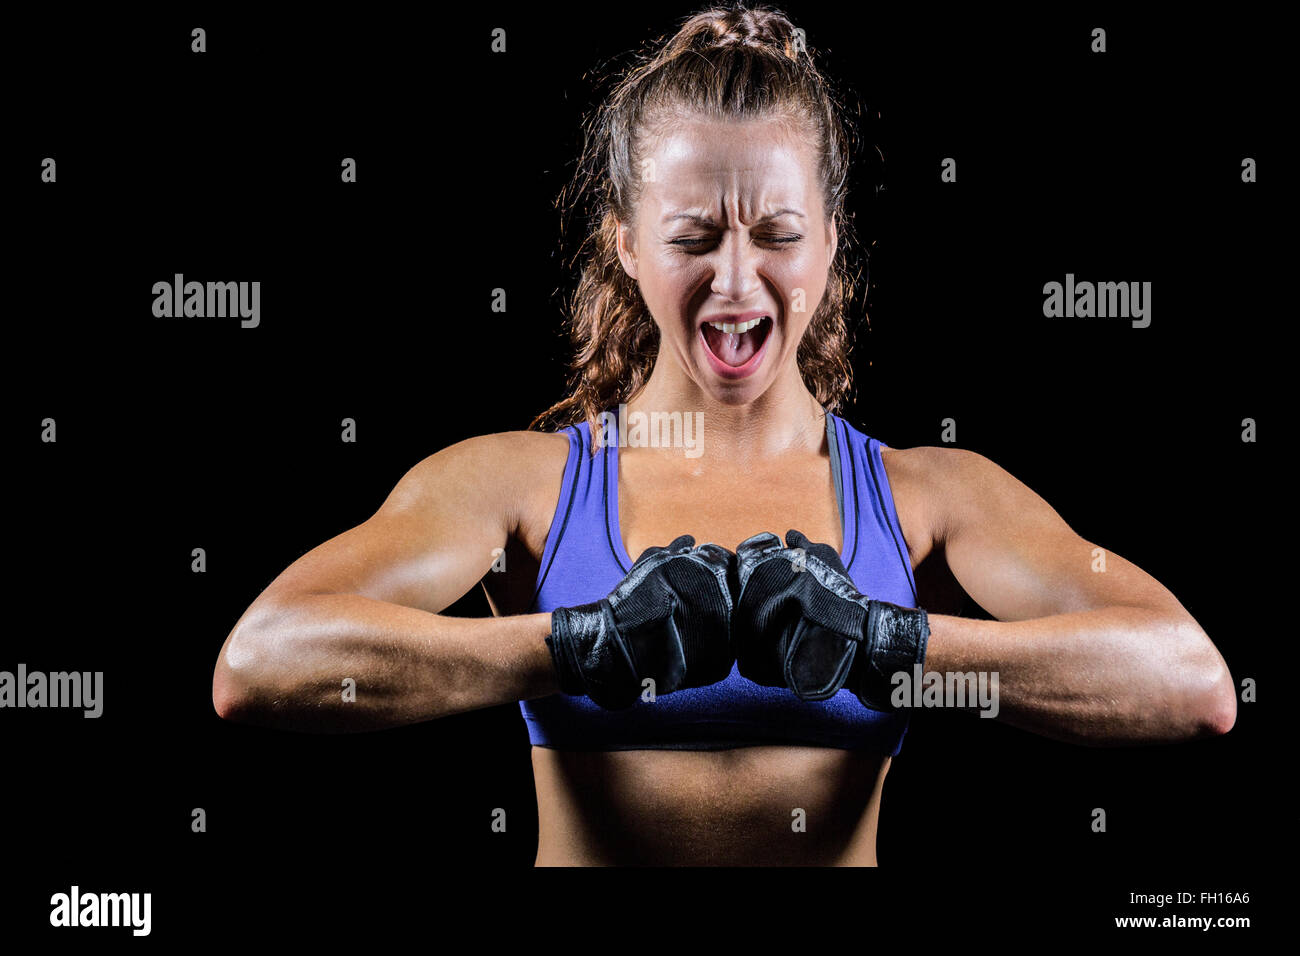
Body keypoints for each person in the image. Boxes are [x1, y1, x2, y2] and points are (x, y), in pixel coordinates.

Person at [211, 4, 1236, 866]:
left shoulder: (927, 496)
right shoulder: (521, 485)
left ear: (829, 242)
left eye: (778, 235)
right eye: (692, 237)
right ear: (624, 245)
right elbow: (261, 659)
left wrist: (897, 645)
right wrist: (575, 645)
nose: (737, 281)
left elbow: (1186, 680)